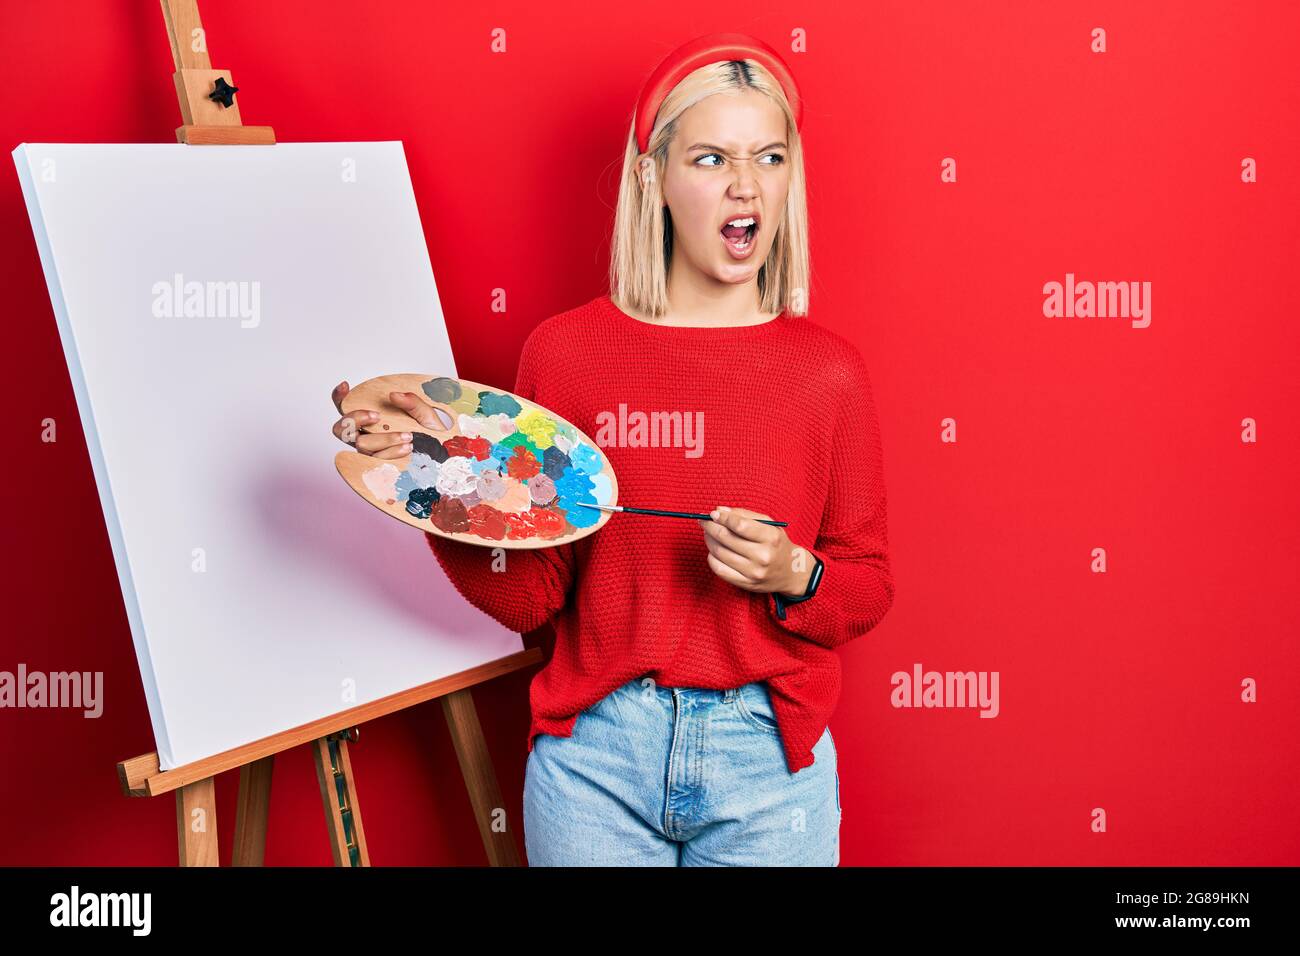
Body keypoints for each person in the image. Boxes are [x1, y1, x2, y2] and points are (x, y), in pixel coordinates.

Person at [329, 33, 893, 866]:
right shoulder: (565, 355)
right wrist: (426, 477)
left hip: (769, 763)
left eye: (769, 157)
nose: (746, 185)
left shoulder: (829, 373)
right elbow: (533, 599)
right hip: (595, 759)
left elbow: (868, 584)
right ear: (653, 177)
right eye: (710, 158)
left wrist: (794, 576)